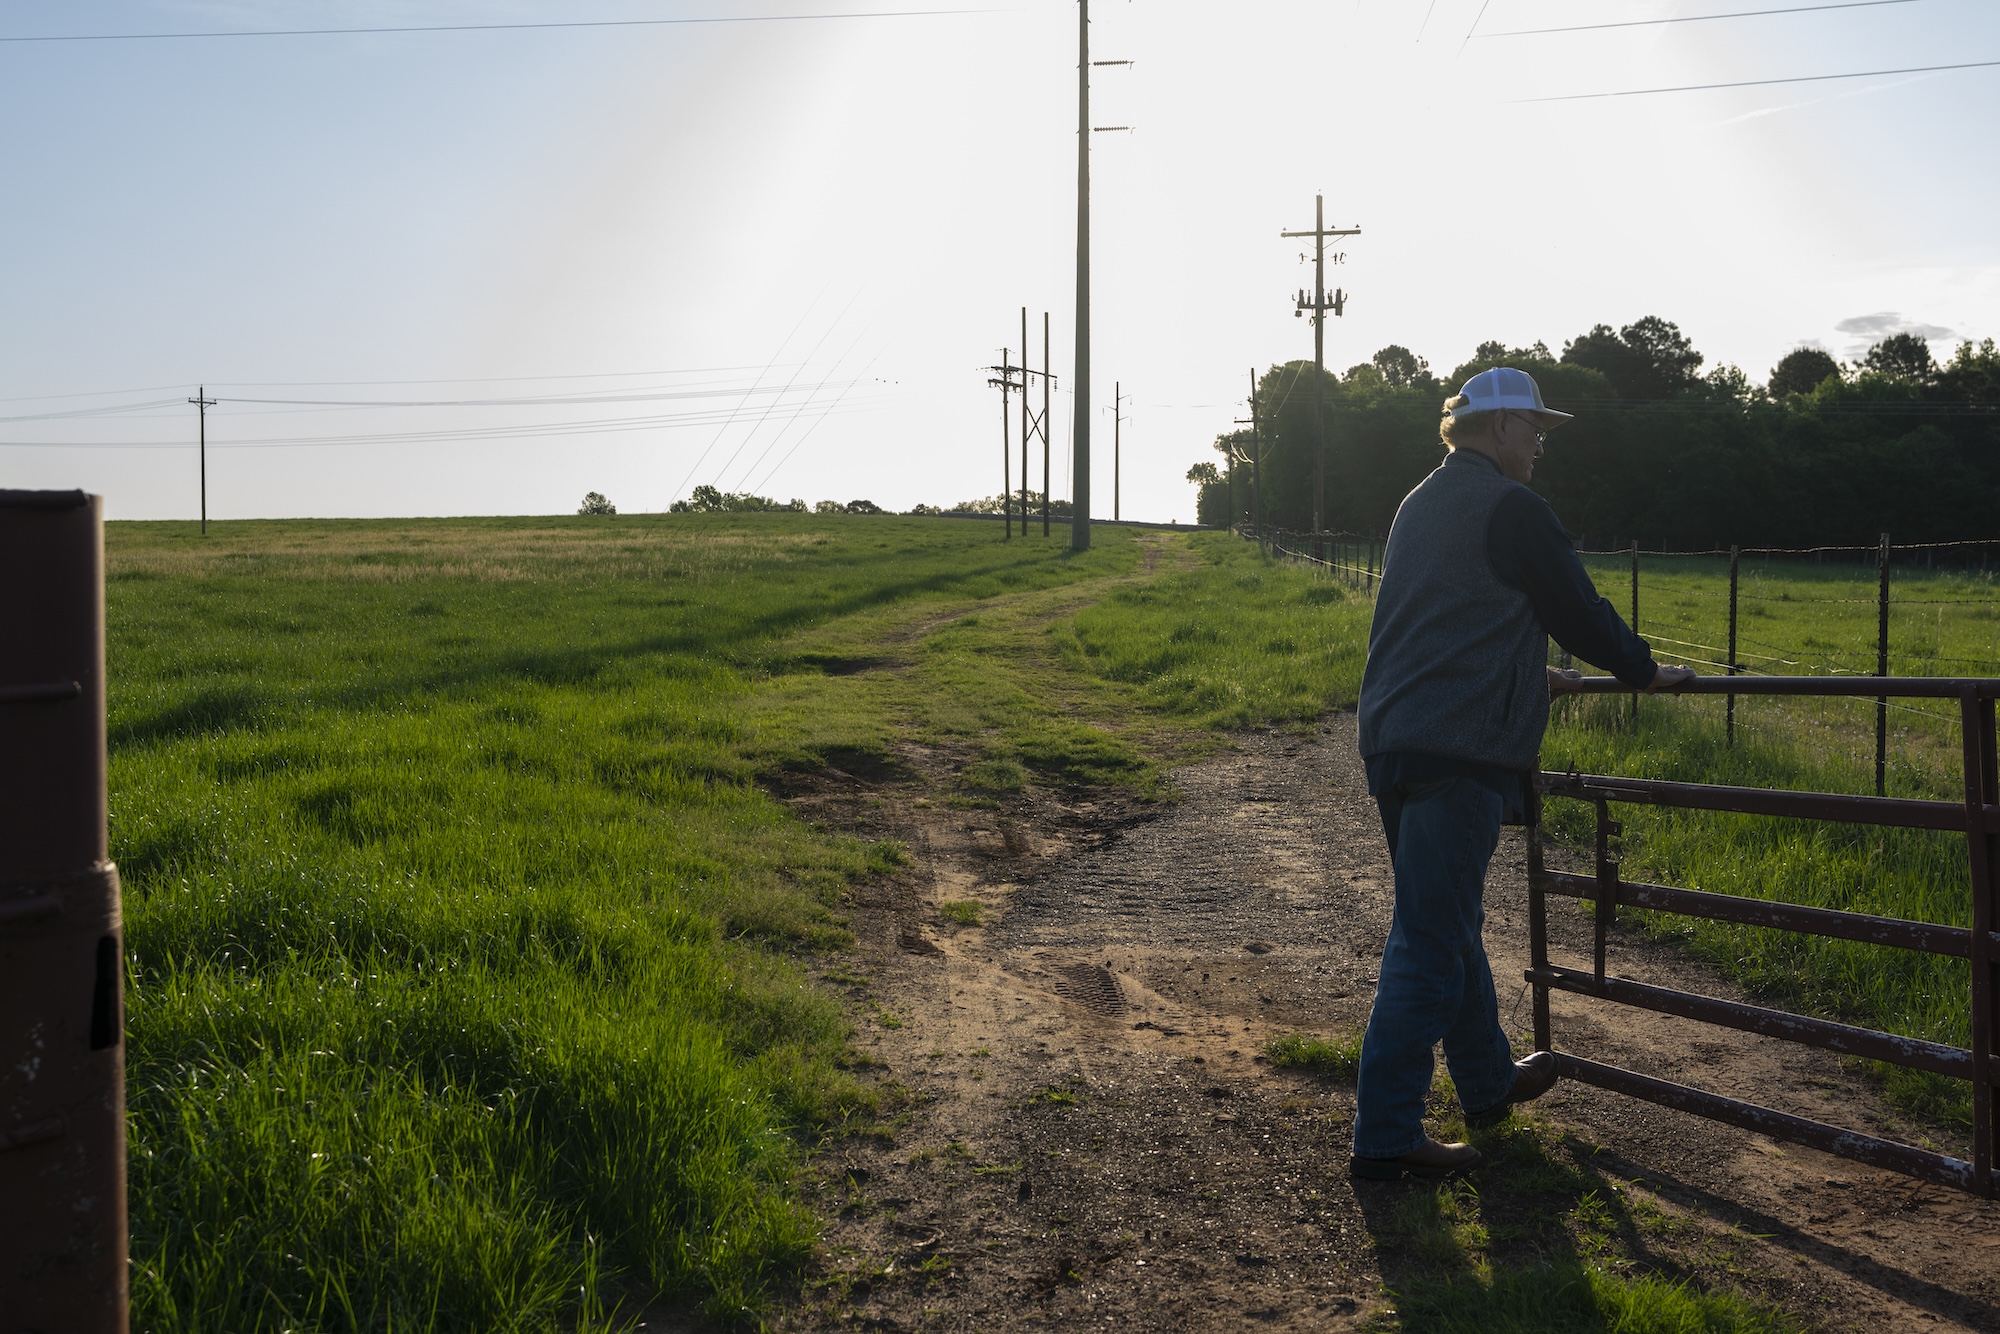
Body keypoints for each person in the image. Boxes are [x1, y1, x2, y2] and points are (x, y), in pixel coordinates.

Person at [1349, 366, 1695, 1181]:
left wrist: (1523, 671)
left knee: (1449, 921)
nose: (1541, 445)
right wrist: (1642, 672)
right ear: (1498, 427)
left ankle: (1487, 1082)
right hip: (1457, 751)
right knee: (1430, 940)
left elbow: (1449, 618)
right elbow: (1577, 609)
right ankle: (1387, 1136)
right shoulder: (1513, 507)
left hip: (1396, 743)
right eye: (1534, 428)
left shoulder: (1419, 503)